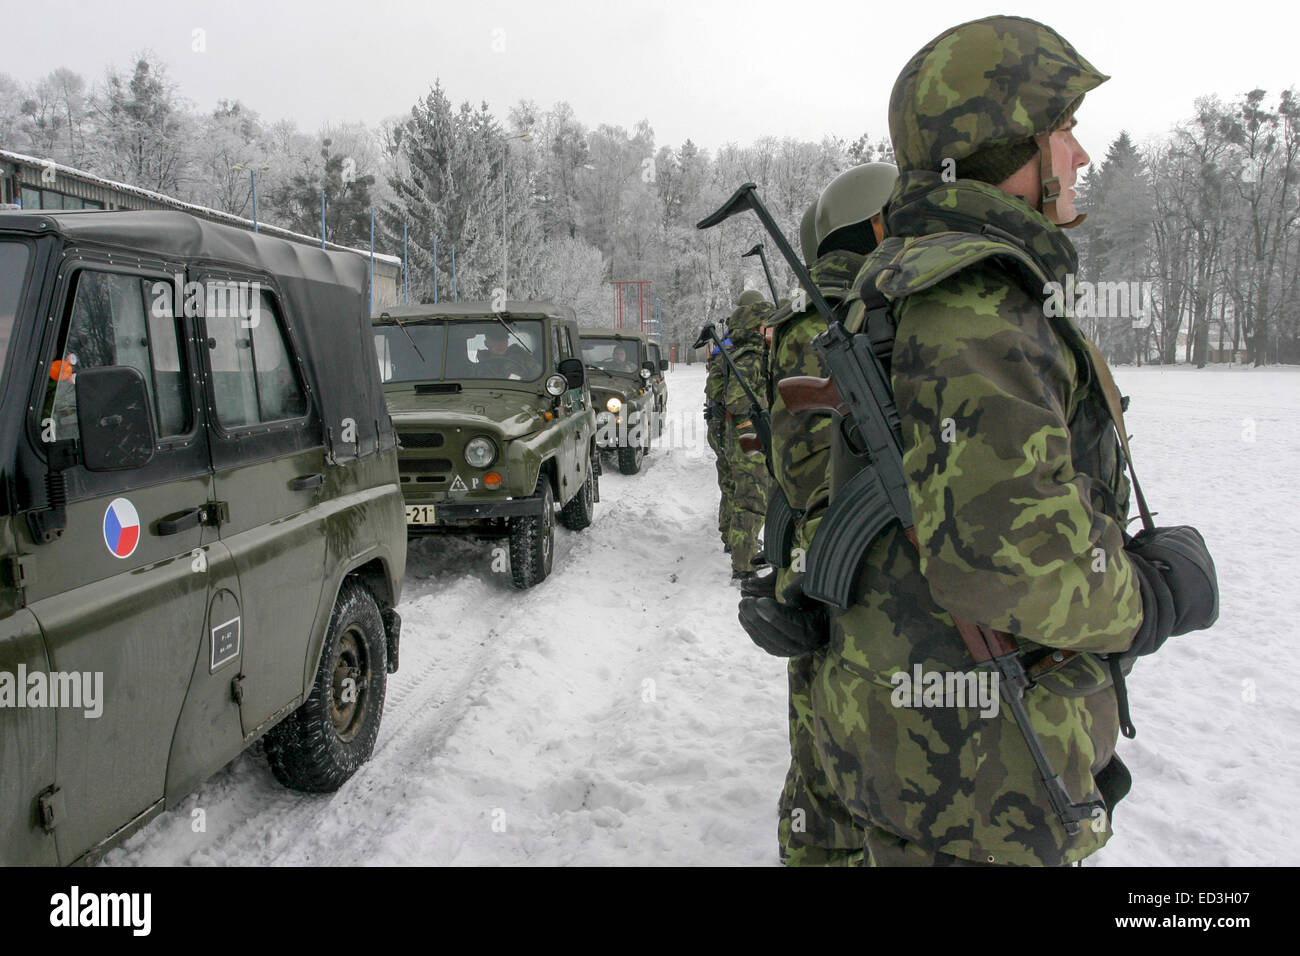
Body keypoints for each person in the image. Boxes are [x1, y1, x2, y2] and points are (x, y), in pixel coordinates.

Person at [805, 15, 1219, 866]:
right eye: (1063, 129)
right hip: (979, 786)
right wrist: (1152, 596)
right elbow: (1011, 558)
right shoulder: (977, 300)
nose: (1081, 155)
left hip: (922, 751)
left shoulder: (911, 281)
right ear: (1003, 147)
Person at [743, 164, 898, 866]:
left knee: (829, 762)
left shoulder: (848, 308)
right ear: (877, 225)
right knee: (833, 771)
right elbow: (813, 479)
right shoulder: (836, 316)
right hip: (841, 574)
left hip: (832, 567)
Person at [721, 289, 772, 584]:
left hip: (743, 433)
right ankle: (744, 564)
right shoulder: (751, 357)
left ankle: (746, 552)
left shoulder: (743, 350)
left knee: (746, 495)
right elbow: (736, 400)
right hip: (747, 433)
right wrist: (763, 404)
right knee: (750, 497)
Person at [703, 337, 734, 552]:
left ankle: (729, 532)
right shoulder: (726, 363)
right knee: (734, 484)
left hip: (721, 428)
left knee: (728, 482)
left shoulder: (722, 360)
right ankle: (733, 537)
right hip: (724, 429)